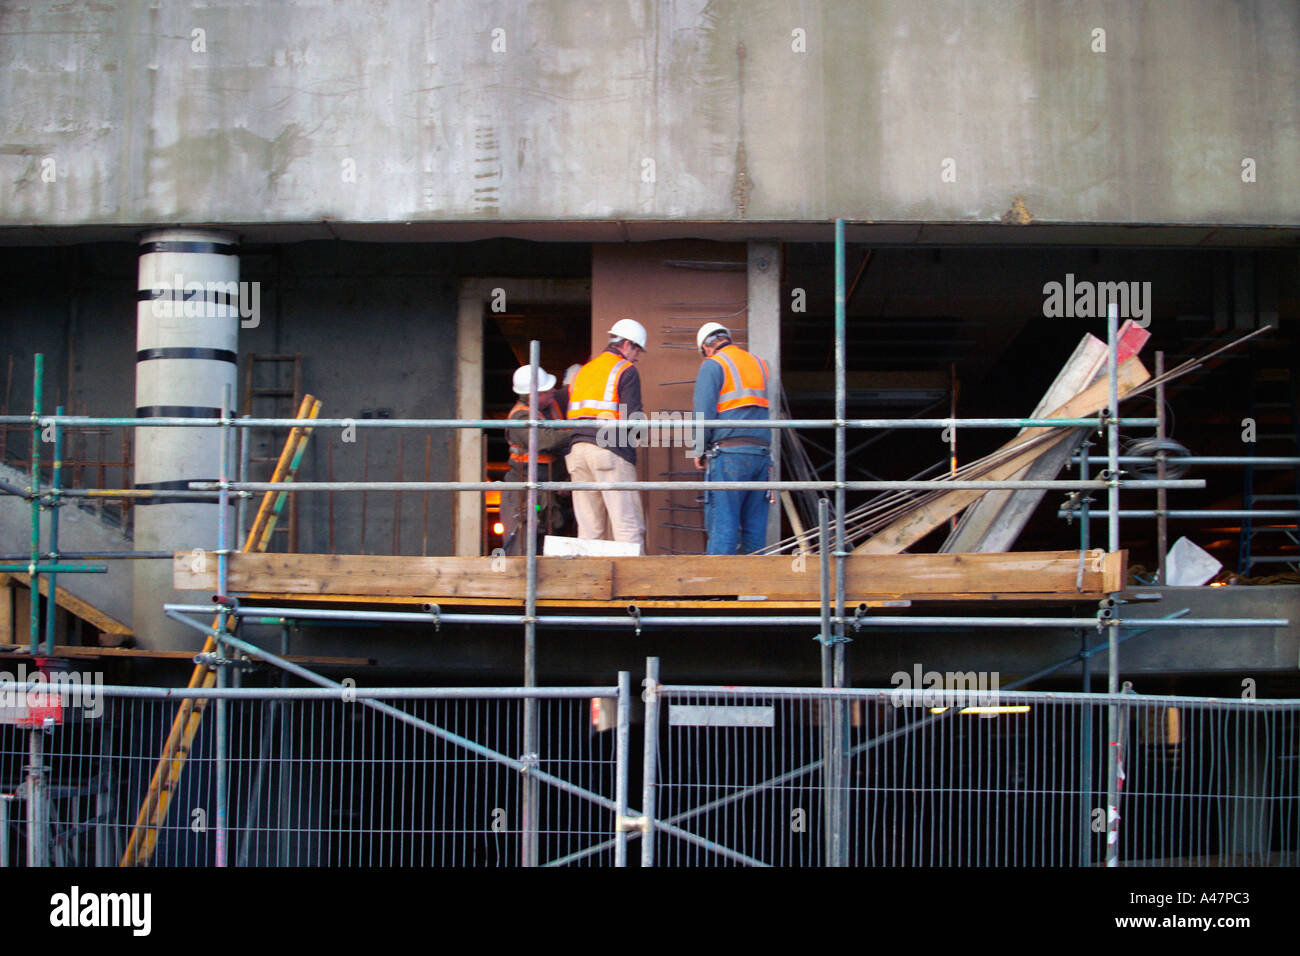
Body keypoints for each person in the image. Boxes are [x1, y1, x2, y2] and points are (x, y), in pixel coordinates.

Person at [564, 318, 648, 550]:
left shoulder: (582, 372)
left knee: (590, 530)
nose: (637, 356)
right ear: (627, 344)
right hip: (609, 452)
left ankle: (589, 585)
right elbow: (633, 419)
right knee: (627, 527)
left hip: (577, 453)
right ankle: (631, 585)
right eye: (637, 349)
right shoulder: (626, 370)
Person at [692, 322, 772, 554]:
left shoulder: (713, 365)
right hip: (761, 455)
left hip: (729, 456)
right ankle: (754, 590)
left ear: (707, 347)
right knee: (755, 529)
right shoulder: (759, 364)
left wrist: (698, 450)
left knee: (723, 526)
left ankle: (719, 589)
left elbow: (703, 414)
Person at [500, 364, 573, 555]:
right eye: (548, 390)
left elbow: (573, 386)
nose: (553, 392)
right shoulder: (519, 418)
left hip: (548, 489)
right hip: (522, 490)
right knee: (522, 547)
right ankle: (521, 583)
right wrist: (582, 430)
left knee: (551, 544)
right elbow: (546, 440)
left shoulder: (551, 403)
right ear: (534, 395)